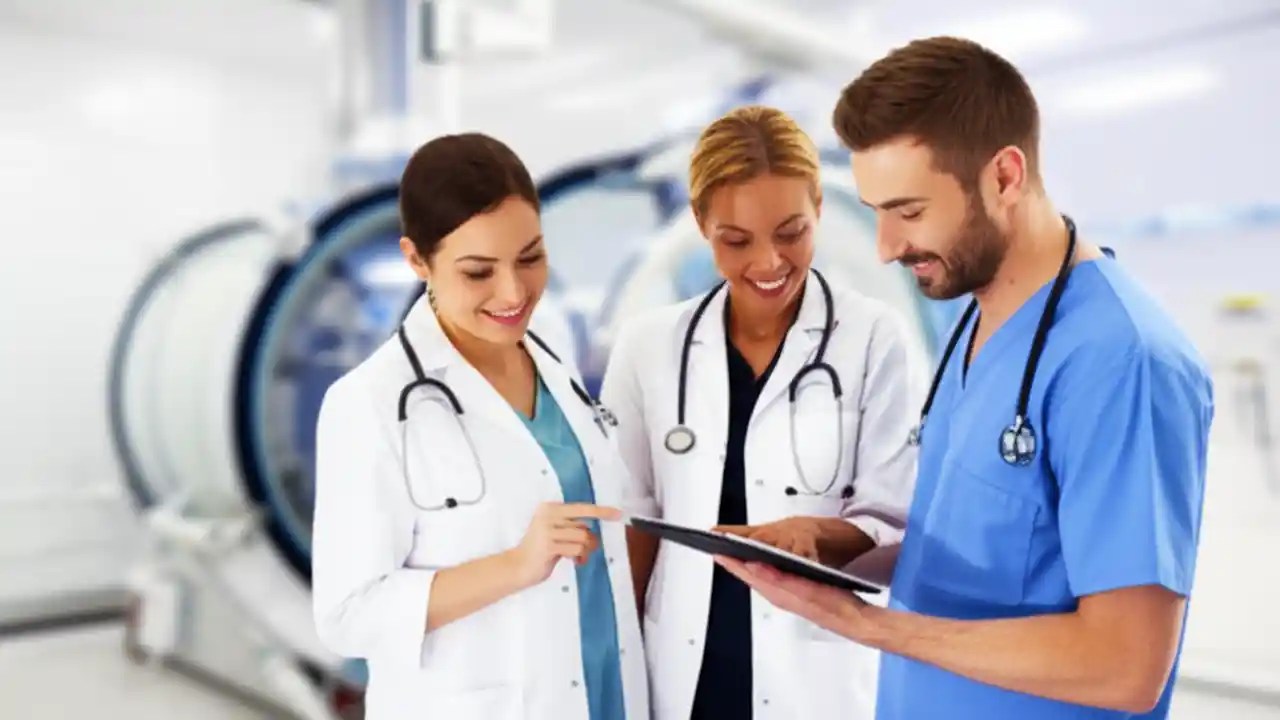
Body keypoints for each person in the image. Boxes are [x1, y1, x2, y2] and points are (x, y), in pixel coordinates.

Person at [716, 36, 1215, 720]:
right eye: (877, 214)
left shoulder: (1121, 360)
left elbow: (1126, 667)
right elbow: (979, 552)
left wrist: (869, 626)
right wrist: (829, 548)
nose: (888, 247)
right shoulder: (972, 319)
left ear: (1004, 178)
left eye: (909, 212)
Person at [310, 132, 649, 720]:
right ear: (417, 259)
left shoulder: (552, 355)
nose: (513, 292)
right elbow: (347, 616)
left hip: (608, 694)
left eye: (530, 258)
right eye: (478, 272)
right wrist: (514, 566)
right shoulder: (367, 404)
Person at [599, 105, 922, 719]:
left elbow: (895, 520)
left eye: (791, 231)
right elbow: (632, 529)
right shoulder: (648, 347)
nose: (769, 263)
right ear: (700, 224)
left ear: (820, 208)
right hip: (680, 676)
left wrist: (818, 533)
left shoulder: (876, 338)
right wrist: (621, 682)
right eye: (737, 240)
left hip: (812, 676)